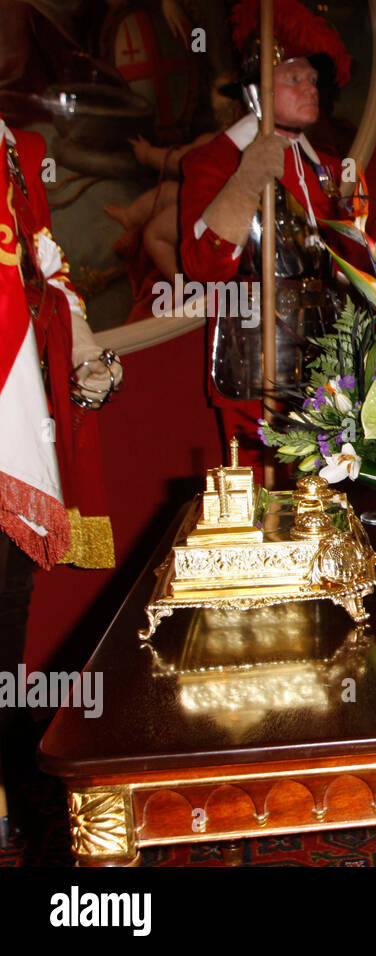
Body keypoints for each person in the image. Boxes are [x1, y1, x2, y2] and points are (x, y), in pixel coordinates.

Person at [1, 111, 119, 846]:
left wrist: (88, 357)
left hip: (14, 429)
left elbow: (47, 274)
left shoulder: (18, 151)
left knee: (8, 612)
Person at [178, 0, 355, 471]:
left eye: (313, 80)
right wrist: (244, 182)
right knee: (259, 507)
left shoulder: (328, 169)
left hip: (329, 364)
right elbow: (201, 265)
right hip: (254, 358)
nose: (310, 88)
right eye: (295, 78)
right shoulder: (214, 162)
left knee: (328, 498)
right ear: (257, 91)